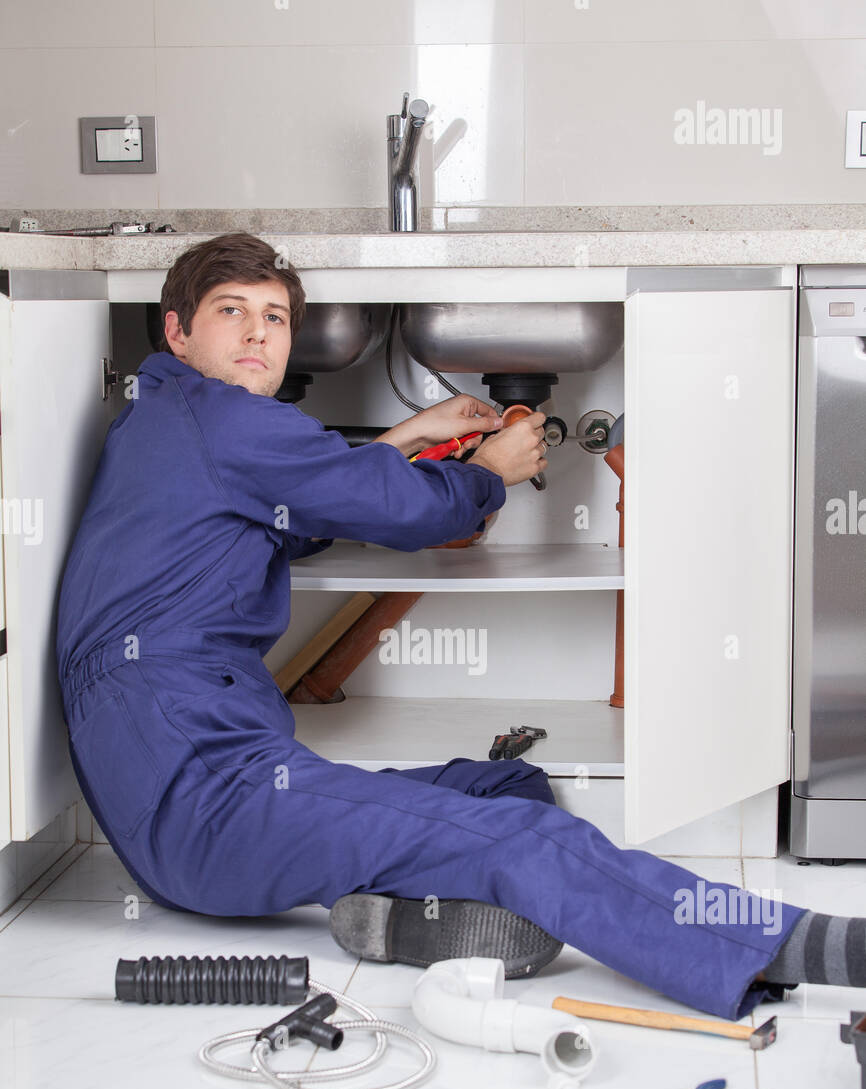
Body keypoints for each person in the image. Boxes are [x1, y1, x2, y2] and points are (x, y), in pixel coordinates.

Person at [55, 233, 865, 1022]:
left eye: (274, 317)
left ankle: (399, 921)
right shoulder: (221, 418)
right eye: (231, 311)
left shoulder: (176, 418)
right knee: (519, 839)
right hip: (201, 804)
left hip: (204, 786)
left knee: (505, 788)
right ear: (177, 330)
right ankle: (779, 944)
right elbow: (401, 512)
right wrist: (486, 475)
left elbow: (299, 511)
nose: (258, 333)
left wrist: (410, 437)